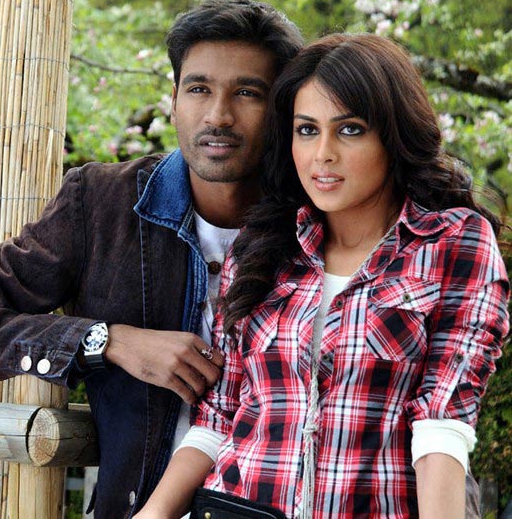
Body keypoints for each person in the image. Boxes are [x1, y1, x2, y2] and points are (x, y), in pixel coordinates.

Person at [0, 0, 304, 518]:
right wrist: (107, 341)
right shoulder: (102, 203)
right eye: (198, 89)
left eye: (247, 93)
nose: (218, 115)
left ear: (281, 109)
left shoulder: (315, 218)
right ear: (174, 99)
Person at [136, 33, 510, 518]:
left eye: (349, 129)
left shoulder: (452, 242)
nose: (323, 154)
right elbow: (220, 416)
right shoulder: (262, 248)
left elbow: (442, 422)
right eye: (307, 130)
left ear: (393, 134)